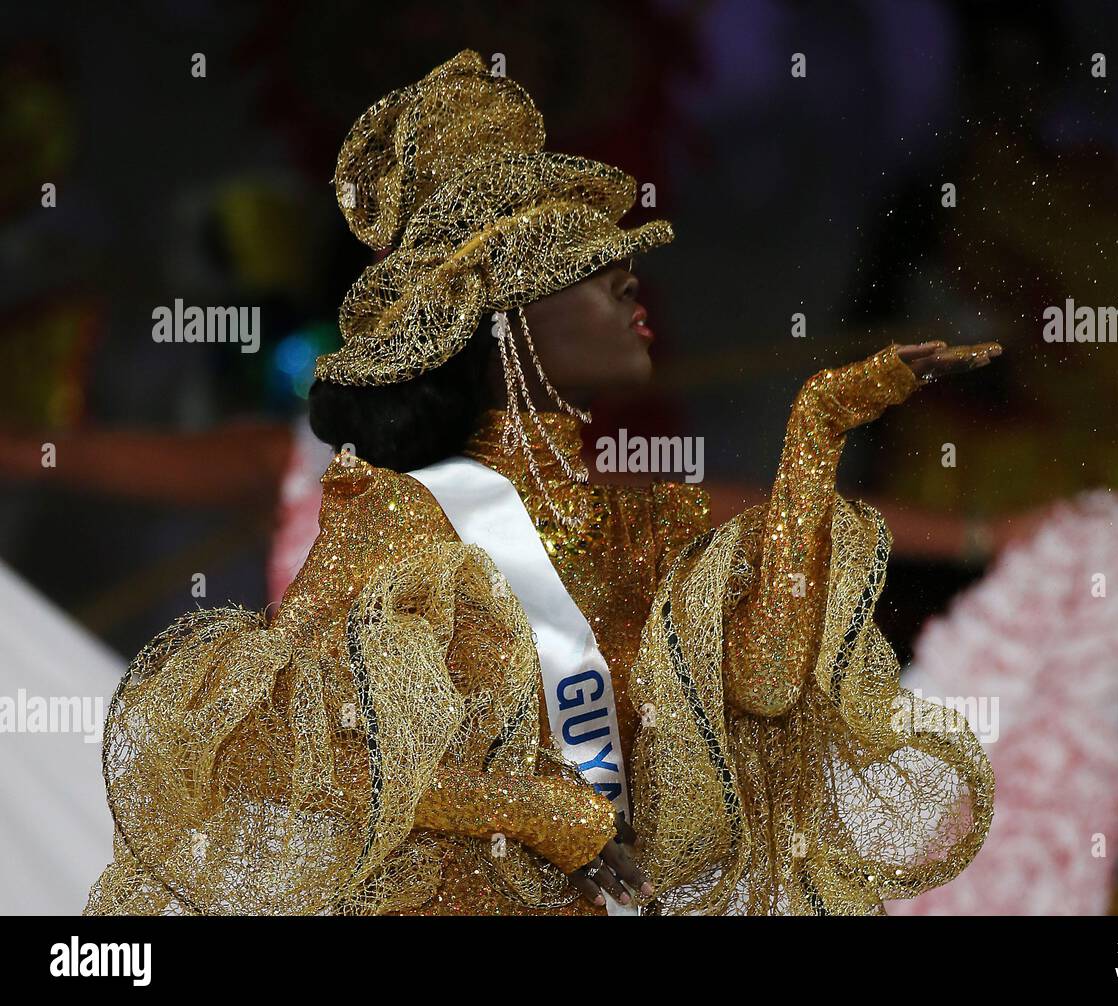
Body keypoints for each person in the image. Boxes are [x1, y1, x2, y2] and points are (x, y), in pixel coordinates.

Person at [85, 49, 997, 917]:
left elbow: (762, 683)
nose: (634, 287)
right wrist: (526, 808)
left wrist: (816, 431)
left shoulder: (631, 519)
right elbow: (266, 750)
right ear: (510, 321)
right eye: (599, 276)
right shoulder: (411, 511)